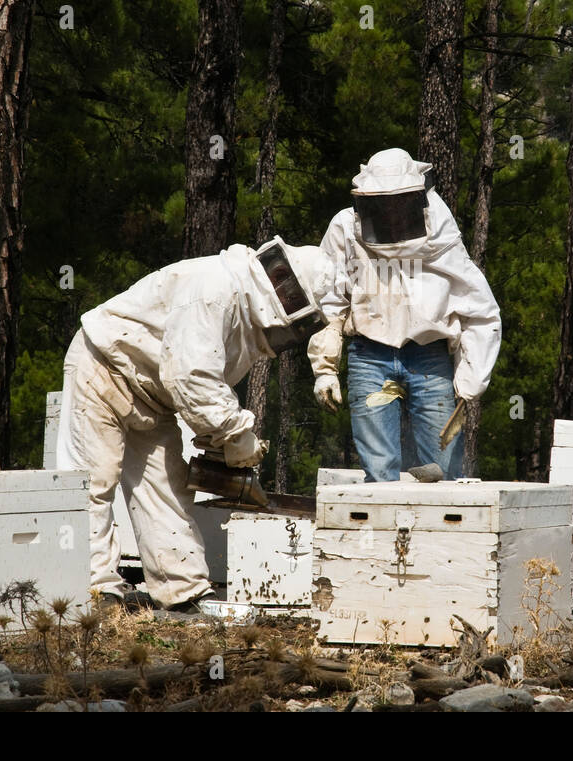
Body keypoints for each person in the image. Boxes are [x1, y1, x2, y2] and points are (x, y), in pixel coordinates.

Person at [57, 237, 334, 611]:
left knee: (168, 487)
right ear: (284, 285)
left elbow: (195, 385)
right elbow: (193, 378)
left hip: (153, 393)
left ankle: (181, 592)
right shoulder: (215, 292)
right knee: (94, 480)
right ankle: (94, 590)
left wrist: (224, 438)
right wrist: (236, 436)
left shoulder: (244, 309)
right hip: (104, 365)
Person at [308, 149, 501, 482]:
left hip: (429, 357)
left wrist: (470, 381)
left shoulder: (438, 232)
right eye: (383, 204)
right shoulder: (345, 228)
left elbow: (478, 307)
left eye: (398, 203)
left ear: (415, 199)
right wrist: (324, 368)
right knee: (379, 469)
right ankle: (384, 535)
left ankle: (440, 535)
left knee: (442, 472)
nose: (392, 214)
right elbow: (329, 298)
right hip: (368, 355)